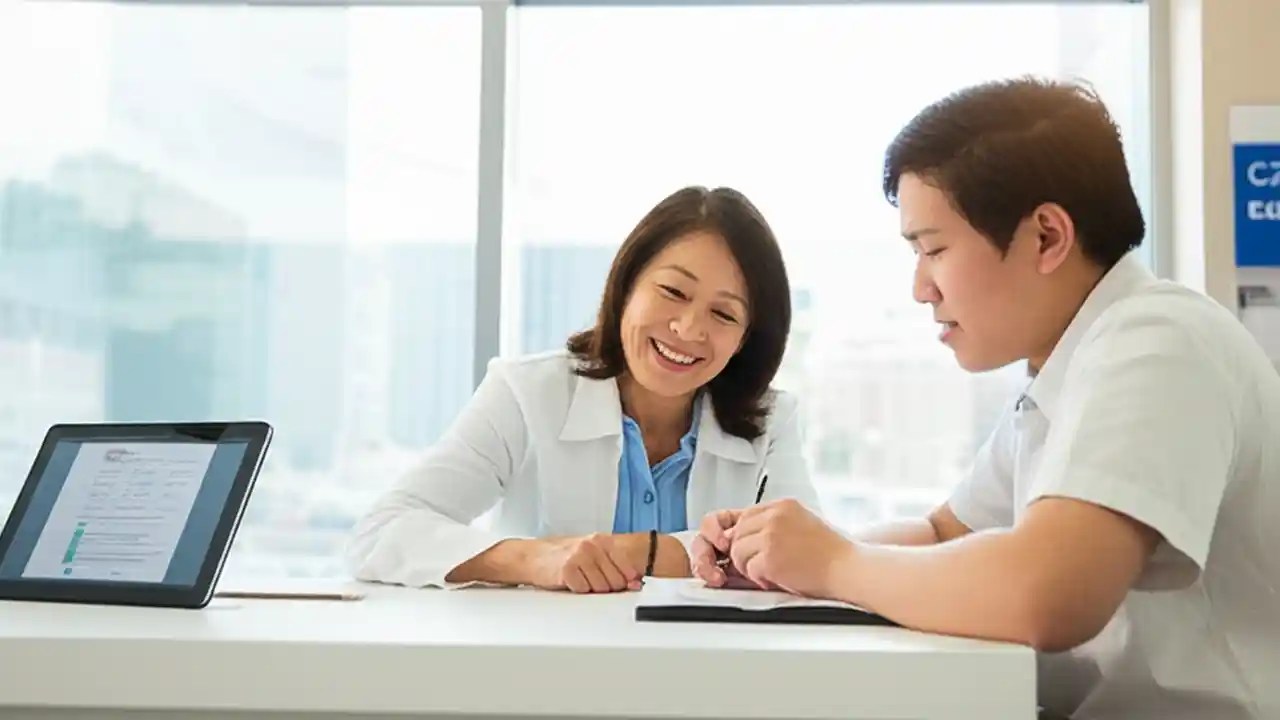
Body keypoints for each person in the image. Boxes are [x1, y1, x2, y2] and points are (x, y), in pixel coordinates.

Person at [691, 78, 1280, 719]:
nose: (921, 288)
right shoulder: (1069, 366)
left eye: (933, 249)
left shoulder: (1158, 343)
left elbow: (1046, 593)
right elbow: (946, 531)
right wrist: (781, 555)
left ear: (1048, 237)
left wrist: (833, 562)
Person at [348, 185, 818, 593]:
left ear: (744, 341)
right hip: (549, 681)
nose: (688, 328)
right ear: (627, 285)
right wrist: (537, 560)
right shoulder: (526, 392)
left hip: (710, 682)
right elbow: (381, 535)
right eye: (673, 292)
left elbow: (811, 559)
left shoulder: (772, 422)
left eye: (724, 314)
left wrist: (640, 553)